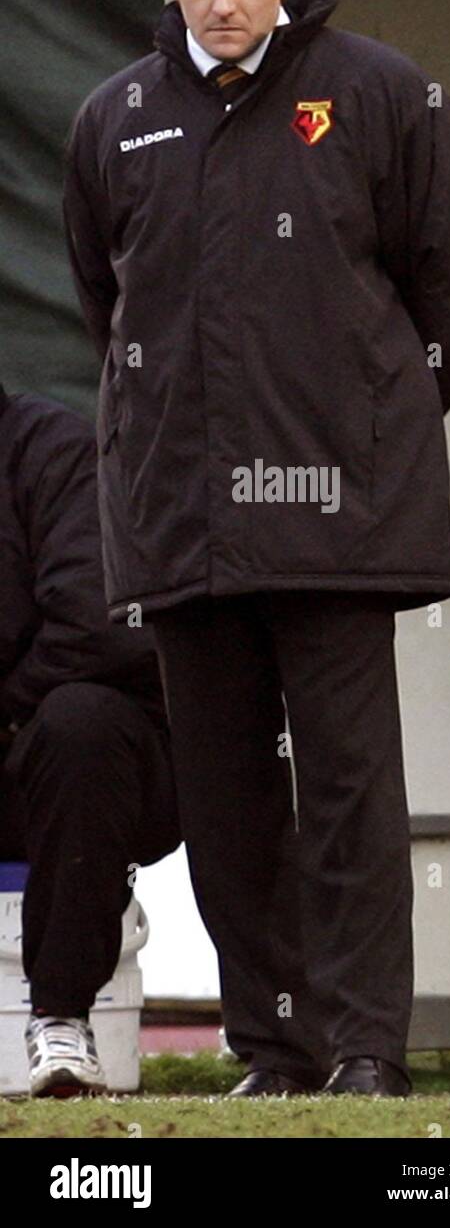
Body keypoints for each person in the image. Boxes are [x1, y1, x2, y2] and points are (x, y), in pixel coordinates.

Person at [63, 0, 450, 1098]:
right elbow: (112, 314)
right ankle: (276, 1049)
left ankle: (366, 1048)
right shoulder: (114, 117)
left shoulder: (380, 96)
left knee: (353, 796)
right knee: (230, 803)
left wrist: (366, 430)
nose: (223, 1)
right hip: (184, 530)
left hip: (338, 522)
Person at [0, 384, 180, 1096]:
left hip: (79, 766)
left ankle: (61, 1018)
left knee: (81, 721)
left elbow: (97, 626)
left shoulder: (54, 449)